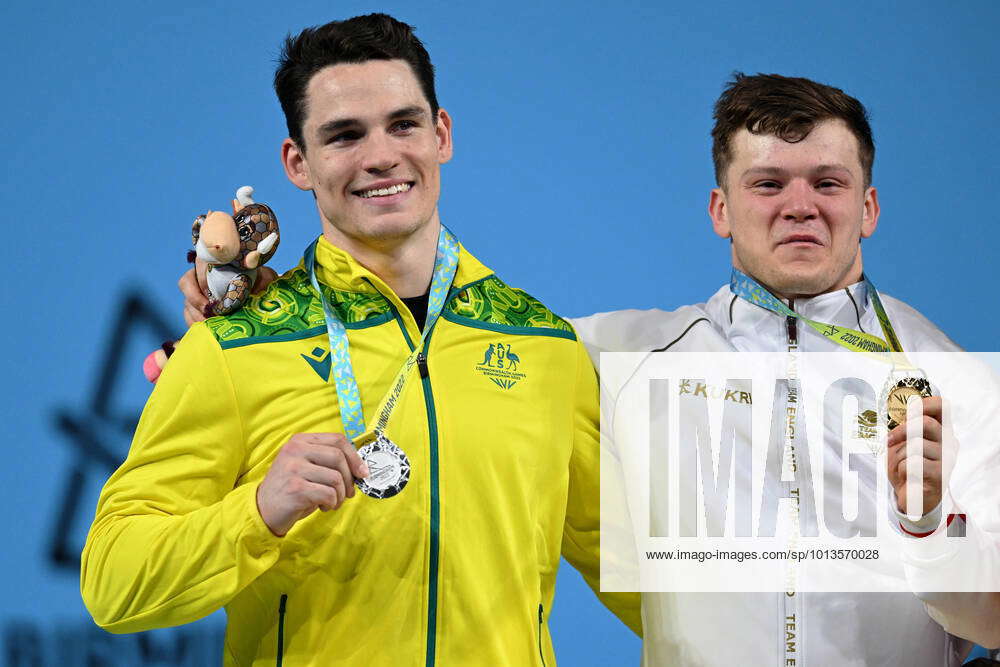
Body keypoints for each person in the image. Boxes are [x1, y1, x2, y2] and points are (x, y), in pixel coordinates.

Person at [81, 13, 640, 666]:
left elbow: (642, 572)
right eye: (344, 135)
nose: (380, 155)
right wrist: (257, 511)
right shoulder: (232, 349)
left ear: (442, 134)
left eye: (403, 124)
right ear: (298, 162)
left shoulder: (543, 344)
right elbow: (113, 580)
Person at [572, 73, 1000, 665]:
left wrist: (930, 523)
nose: (800, 206)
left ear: (868, 207)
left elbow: (995, 621)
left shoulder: (960, 382)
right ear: (721, 209)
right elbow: (473, 351)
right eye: (768, 184)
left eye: (828, 183)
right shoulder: (620, 354)